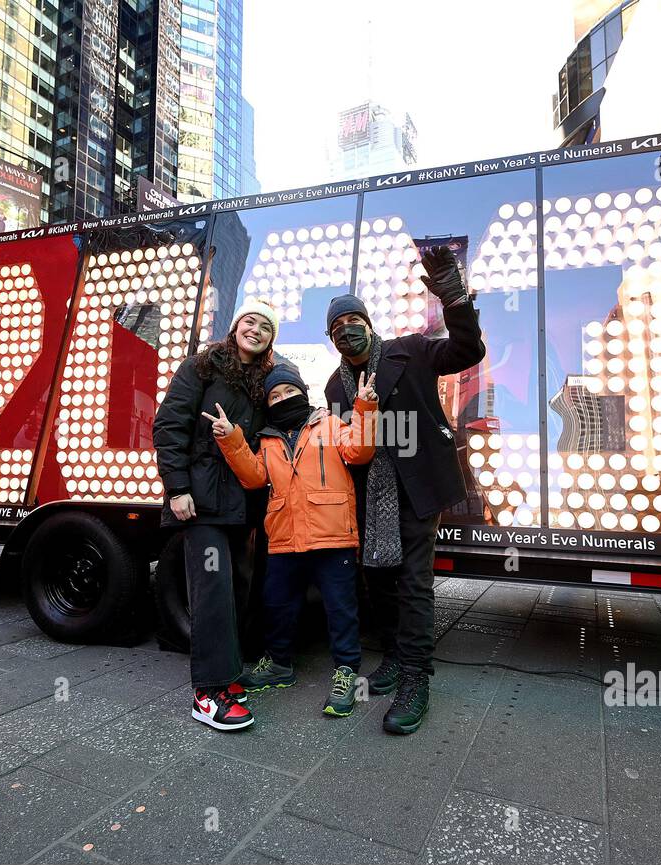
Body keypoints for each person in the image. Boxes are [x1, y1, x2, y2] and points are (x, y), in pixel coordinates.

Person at [322, 244, 484, 735]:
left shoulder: (408, 350)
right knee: (379, 581)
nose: (347, 329)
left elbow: (467, 350)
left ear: (368, 322)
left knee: (414, 583)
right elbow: (346, 441)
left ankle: (417, 678)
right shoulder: (334, 386)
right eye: (336, 327)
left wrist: (454, 296)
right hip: (370, 493)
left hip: (417, 488)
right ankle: (393, 656)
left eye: (353, 319)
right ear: (331, 338)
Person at [208, 363, 378, 717]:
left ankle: (346, 671)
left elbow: (359, 452)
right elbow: (254, 478)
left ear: (302, 391)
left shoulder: (330, 424)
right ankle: (279, 666)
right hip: (285, 536)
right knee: (277, 604)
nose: (282, 398)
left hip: (333, 536)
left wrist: (365, 408)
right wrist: (231, 438)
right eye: (274, 395)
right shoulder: (267, 440)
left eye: (288, 391)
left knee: (341, 609)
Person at [153, 298, 278, 731]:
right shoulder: (201, 367)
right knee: (210, 590)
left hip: (239, 508)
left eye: (265, 326)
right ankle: (207, 694)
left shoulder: (263, 381)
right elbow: (169, 425)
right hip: (202, 502)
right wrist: (178, 488)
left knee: (235, 590)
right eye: (250, 321)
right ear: (235, 324)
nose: (256, 330)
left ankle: (228, 672)